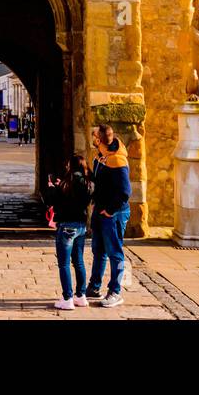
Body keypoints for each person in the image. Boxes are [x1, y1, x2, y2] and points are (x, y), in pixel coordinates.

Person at [85, 124, 131, 308]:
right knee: (99, 250)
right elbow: (98, 181)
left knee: (115, 252)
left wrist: (110, 210)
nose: (92, 137)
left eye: (94, 134)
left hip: (114, 213)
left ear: (99, 140)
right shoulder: (100, 157)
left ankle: (115, 291)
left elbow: (125, 192)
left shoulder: (118, 161)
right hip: (100, 210)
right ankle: (94, 287)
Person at [46, 154, 93, 311]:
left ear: (71, 166)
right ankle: (81, 296)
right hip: (81, 225)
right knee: (78, 261)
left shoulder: (67, 183)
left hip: (67, 226)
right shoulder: (88, 183)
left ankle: (67, 298)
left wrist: (52, 186)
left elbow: (51, 200)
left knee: (64, 263)